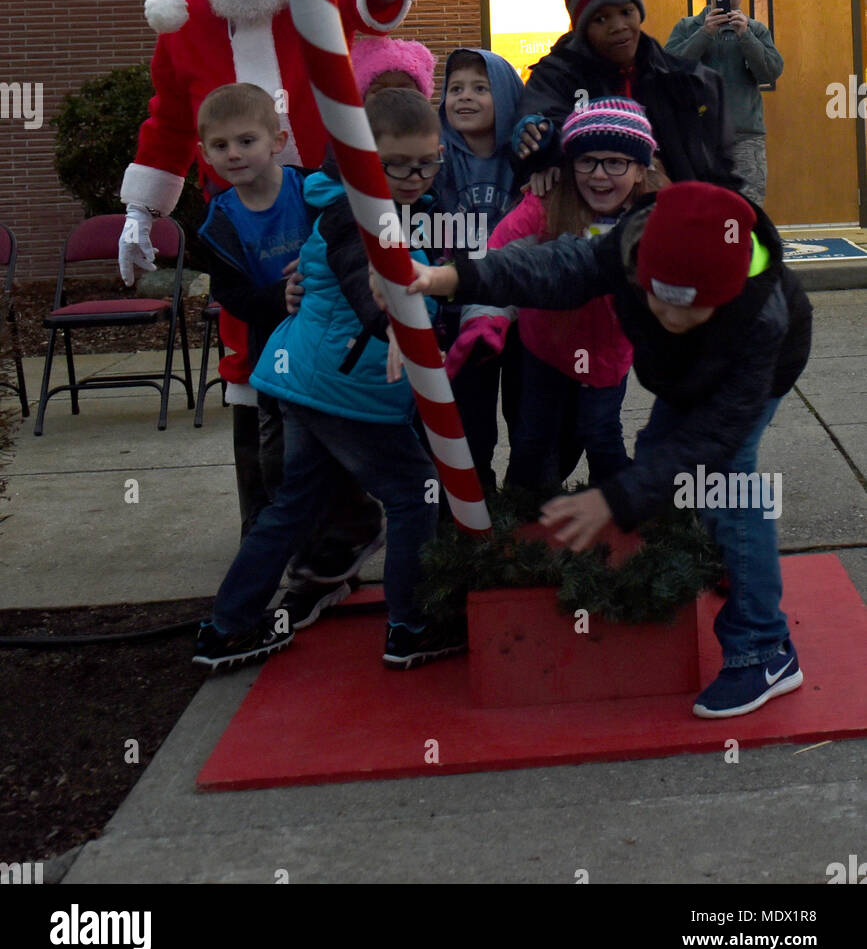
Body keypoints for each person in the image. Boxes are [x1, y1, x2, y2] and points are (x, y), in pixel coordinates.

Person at [403, 181, 813, 719]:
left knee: (726, 487)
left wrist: (614, 500)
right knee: (658, 455)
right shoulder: (631, 244)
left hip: (751, 378)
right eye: (657, 300)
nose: (669, 320)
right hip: (685, 373)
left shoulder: (762, 317)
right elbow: (553, 269)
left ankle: (764, 648)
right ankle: (697, 564)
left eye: (690, 310)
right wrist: (450, 278)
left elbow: (713, 435)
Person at [117, 0, 413, 563]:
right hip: (244, 222)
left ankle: (354, 517)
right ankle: (269, 526)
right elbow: (168, 121)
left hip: (330, 208)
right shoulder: (185, 26)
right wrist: (141, 209)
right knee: (251, 359)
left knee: (344, 346)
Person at [193, 88, 467, 672]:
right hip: (347, 391)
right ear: (363, 161)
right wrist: (396, 324)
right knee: (416, 493)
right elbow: (362, 272)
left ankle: (228, 627)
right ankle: (411, 626)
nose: (414, 177)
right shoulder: (354, 216)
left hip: (308, 384)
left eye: (427, 162)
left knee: (294, 503)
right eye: (396, 165)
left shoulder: (393, 206)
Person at [448, 98, 653, 488]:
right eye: (587, 161)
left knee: (601, 433)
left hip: (607, 355)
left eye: (615, 162)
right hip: (545, 347)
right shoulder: (545, 206)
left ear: (640, 168)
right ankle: (524, 505)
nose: (599, 174)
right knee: (533, 435)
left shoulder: (652, 218)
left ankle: (615, 506)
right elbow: (499, 259)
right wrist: (484, 322)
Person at [510, 0, 742, 197]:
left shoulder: (690, 81)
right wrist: (543, 148)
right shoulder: (557, 78)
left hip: (679, 213)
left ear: (639, 12)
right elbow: (540, 131)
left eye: (626, 11)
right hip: (591, 216)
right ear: (581, 27)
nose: (618, 26)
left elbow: (720, 169)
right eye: (600, 19)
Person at [195, 83, 313, 541]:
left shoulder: (311, 190)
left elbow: (350, 241)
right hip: (272, 350)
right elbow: (232, 294)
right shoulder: (218, 224)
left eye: (247, 140)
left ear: (277, 141)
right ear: (204, 153)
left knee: (339, 437)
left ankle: (342, 529)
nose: (234, 153)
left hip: (329, 338)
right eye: (220, 145)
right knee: (279, 446)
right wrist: (278, 298)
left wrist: (318, 260)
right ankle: (286, 532)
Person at [433, 48, 524, 490]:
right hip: (460, 309)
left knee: (526, 410)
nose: (464, 97)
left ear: (505, 96)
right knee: (471, 412)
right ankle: (477, 492)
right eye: (455, 89)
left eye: (480, 88)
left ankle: (526, 492)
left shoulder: (526, 159)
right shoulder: (437, 158)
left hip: (521, 308)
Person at [664, 0, 783, 207]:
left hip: (744, 138)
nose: (728, 0)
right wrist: (704, 34)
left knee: (747, 208)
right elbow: (669, 71)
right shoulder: (687, 27)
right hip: (697, 136)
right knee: (698, 208)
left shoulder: (756, 30)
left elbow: (770, 73)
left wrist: (746, 36)